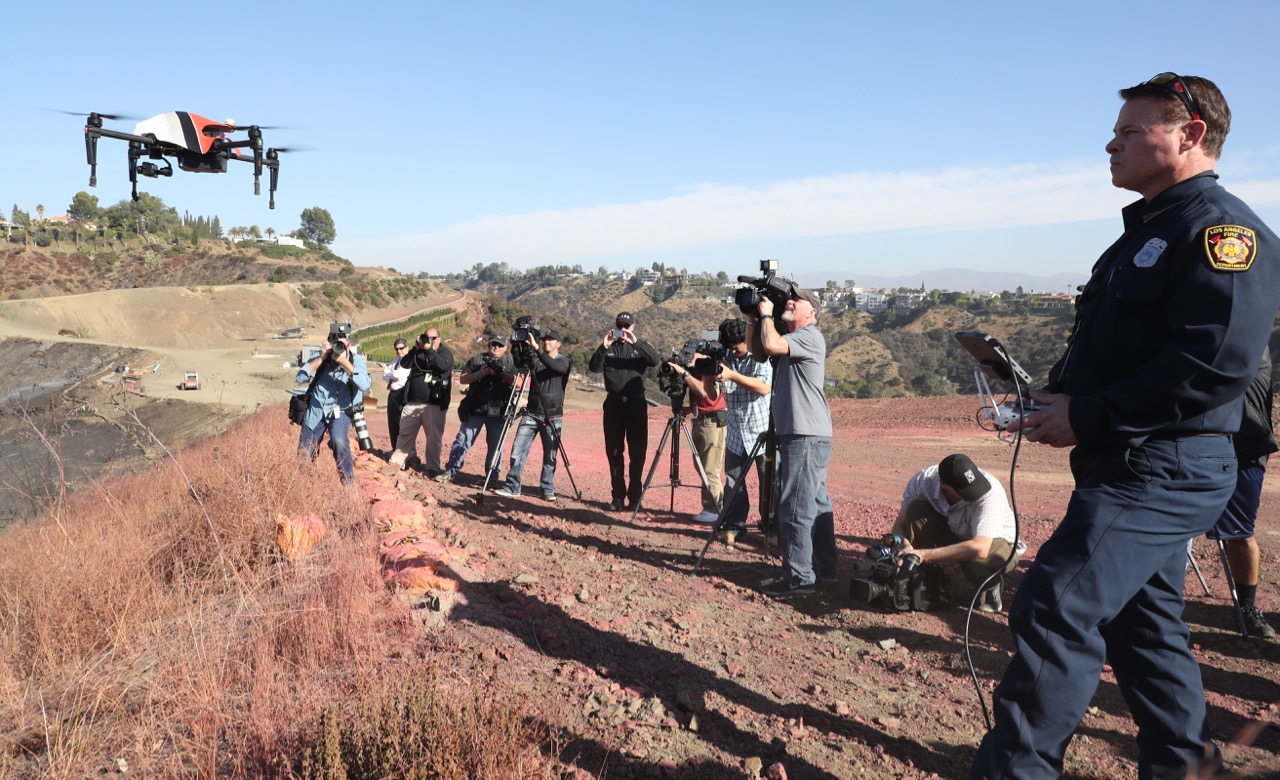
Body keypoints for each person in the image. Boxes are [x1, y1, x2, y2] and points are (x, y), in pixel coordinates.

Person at [973, 74, 1280, 779]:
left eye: (1130, 132)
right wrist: (1055, 395)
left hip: (1165, 468)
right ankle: (1187, 768)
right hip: (1131, 462)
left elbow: (1214, 364)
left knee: (1054, 606)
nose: (1111, 146)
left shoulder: (1222, 232)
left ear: (1191, 134)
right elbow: (1117, 349)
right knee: (1143, 626)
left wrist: (1088, 413)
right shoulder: (1148, 231)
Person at [748, 287, 836, 597]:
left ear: (811, 312)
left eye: (796, 300)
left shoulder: (808, 336)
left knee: (795, 505)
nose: (790, 301)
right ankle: (825, 570)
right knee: (815, 503)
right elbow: (759, 353)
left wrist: (767, 315)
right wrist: (754, 318)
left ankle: (799, 577)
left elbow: (770, 345)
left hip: (804, 433)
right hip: (808, 433)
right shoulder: (793, 340)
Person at [891, 454, 1023, 613]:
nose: (974, 493)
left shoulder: (990, 491)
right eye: (964, 490)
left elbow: (980, 548)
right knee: (916, 510)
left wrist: (923, 554)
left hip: (997, 544)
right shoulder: (923, 481)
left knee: (977, 561)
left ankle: (990, 586)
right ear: (943, 484)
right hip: (956, 531)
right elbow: (899, 525)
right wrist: (905, 545)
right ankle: (922, 579)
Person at [1206, 348, 1277, 638]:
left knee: (1240, 532)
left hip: (1245, 448)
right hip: (1197, 443)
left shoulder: (1250, 340)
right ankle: (1158, 604)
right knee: (1172, 529)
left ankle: (1246, 606)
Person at [588, 311, 660, 511]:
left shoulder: (641, 347)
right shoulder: (608, 348)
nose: (622, 330)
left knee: (638, 452)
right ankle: (617, 496)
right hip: (614, 405)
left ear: (633, 327)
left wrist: (635, 342)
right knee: (614, 452)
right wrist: (604, 346)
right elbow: (594, 367)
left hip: (636, 405)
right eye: (619, 326)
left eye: (626, 326)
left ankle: (635, 497)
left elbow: (654, 361)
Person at [715, 317, 773, 546]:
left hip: (762, 432)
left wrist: (732, 375)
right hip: (736, 431)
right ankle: (734, 527)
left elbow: (764, 387)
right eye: (728, 347)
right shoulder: (724, 358)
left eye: (736, 346)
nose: (732, 351)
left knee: (769, 484)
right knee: (733, 482)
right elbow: (713, 394)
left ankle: (771, 529)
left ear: (746, 340)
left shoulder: (760, 357)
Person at [494, 330, 571, 501]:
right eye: (545, 339)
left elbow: (555, 367)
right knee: (518, 451)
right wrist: (516, 345)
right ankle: (513, 486)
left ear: (558, 344)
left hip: (553, 415)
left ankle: (547, 488)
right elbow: (520, 364)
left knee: (550, 454)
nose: (547, 342)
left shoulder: (563, 361)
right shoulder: (536, 360)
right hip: (532, 413)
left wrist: (537, 349)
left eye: (551, 340)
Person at [295, 324, 372, 484]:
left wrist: (344, 362)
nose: (338, 345)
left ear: (348, 344)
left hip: (341, 410)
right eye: (334, 341)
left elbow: (365, 385)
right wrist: (321, 358)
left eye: (341, 342)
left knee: (339, 440)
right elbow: (300, 378)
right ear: (328, 342)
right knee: (305, 450)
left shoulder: (356, 360)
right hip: (316, 409)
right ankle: (303, 484)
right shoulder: (322, 356)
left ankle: (348, 484)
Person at [435, 336, 516, 484]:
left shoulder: (509, 362)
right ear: (489, 345)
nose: (496, 347)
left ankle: (492, 478)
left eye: (500, 345)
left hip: (497, 407)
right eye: (493, 344)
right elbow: (463, 379)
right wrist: (480, 373)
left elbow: (518, 383)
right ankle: (450, 471)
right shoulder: (477, 359)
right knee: (463, 440)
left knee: (496, 444)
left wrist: (501, 373)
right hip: (475, 407)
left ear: (505, 348)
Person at [667, 346, 727, 524]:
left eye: (693, 355)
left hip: (713, 422)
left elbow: (703, 391)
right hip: (700, 420)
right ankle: (713, 507)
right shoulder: (697, 371)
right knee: (700, 465)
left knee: (710, 469)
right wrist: (687, 409)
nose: (690, 358)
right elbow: (700, 399)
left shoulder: (709, 369)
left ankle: (714, 509)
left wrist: (684, 373)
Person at [390, 329, 454, 475]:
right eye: (427, 338)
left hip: (434, 404)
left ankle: (432, 467)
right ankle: (396, 463)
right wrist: (415, 348)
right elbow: (404, 364)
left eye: (433, 338)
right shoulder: (417, 352)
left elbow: (443, 366)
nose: (430, 340)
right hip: (412, 401)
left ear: (439, 338)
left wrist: (429, 349)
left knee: (433, 438)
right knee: (404, 434)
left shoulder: (445, 353)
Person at [382, 338, 411, 454]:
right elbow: (385, 374)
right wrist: (390, 376)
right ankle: (395, 450)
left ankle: (406, 453)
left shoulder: (409, 361)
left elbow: (397, 375)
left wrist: (390, 375)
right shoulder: (396, 361)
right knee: (392, 424)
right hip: (392, 394)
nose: (399, 351)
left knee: (402, 425)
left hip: (402, 394)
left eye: (401, 348)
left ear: (407, 347)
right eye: (396, 349)